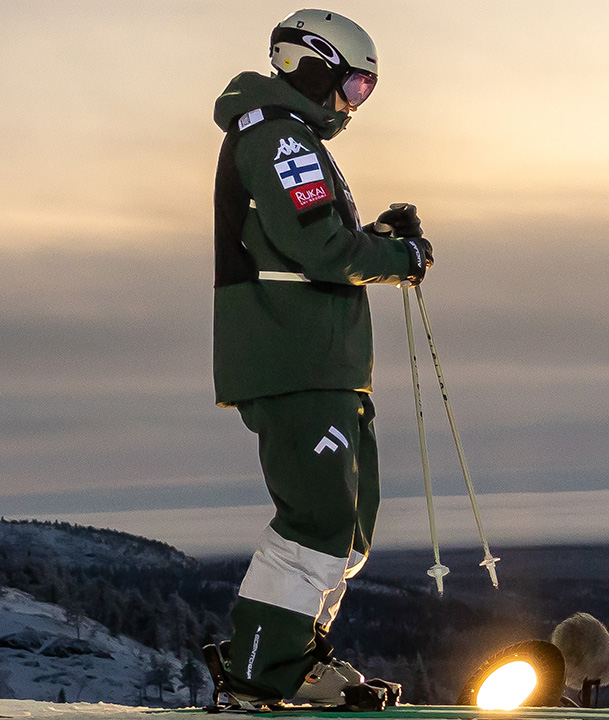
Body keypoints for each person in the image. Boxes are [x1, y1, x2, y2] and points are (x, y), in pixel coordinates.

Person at [209, 8, 433, 708]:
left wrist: (378, 240)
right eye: (356, 85)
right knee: (317, 518)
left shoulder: (292, 137)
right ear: (313, 68)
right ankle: (262, 669)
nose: (354, 103)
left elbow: (311, 239)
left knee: (348, 523)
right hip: (293, 357)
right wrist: (400, 257)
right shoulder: (278, 138)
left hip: (324, 361)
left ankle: (293, 655)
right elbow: (320, 248)